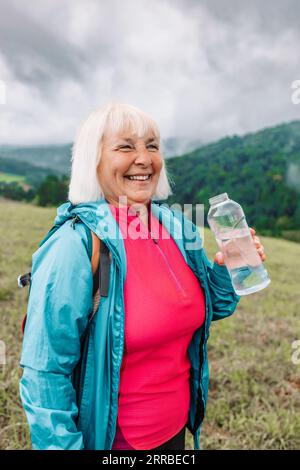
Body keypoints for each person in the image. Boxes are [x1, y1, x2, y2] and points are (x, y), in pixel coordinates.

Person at [19, 101, 266, 450]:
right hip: (117, 442)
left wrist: (228, 270)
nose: (144, 158)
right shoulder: (76, 245)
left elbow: (215, 305)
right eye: (125, 146)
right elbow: (44, 373)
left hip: (176, 431)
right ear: (95, 160)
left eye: (152, 145)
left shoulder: (176, 224)